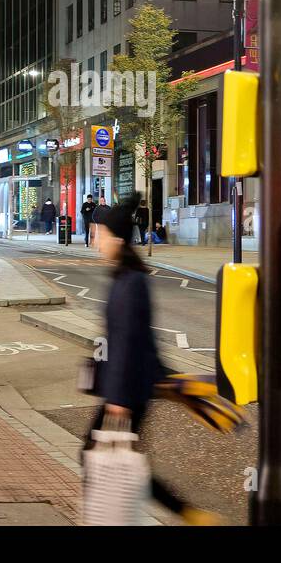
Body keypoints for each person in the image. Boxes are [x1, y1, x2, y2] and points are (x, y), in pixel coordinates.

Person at [86, 197, 219, 525]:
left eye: (99, 234)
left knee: (109, 458)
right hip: (129, 387)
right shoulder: (127, 276)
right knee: (116, 458)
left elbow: (129, 341)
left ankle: (184, 513)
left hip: (127, 391)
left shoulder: (129, 282)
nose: (95, 241)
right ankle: (184, 513)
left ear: (116, 238)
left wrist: (117, 398)